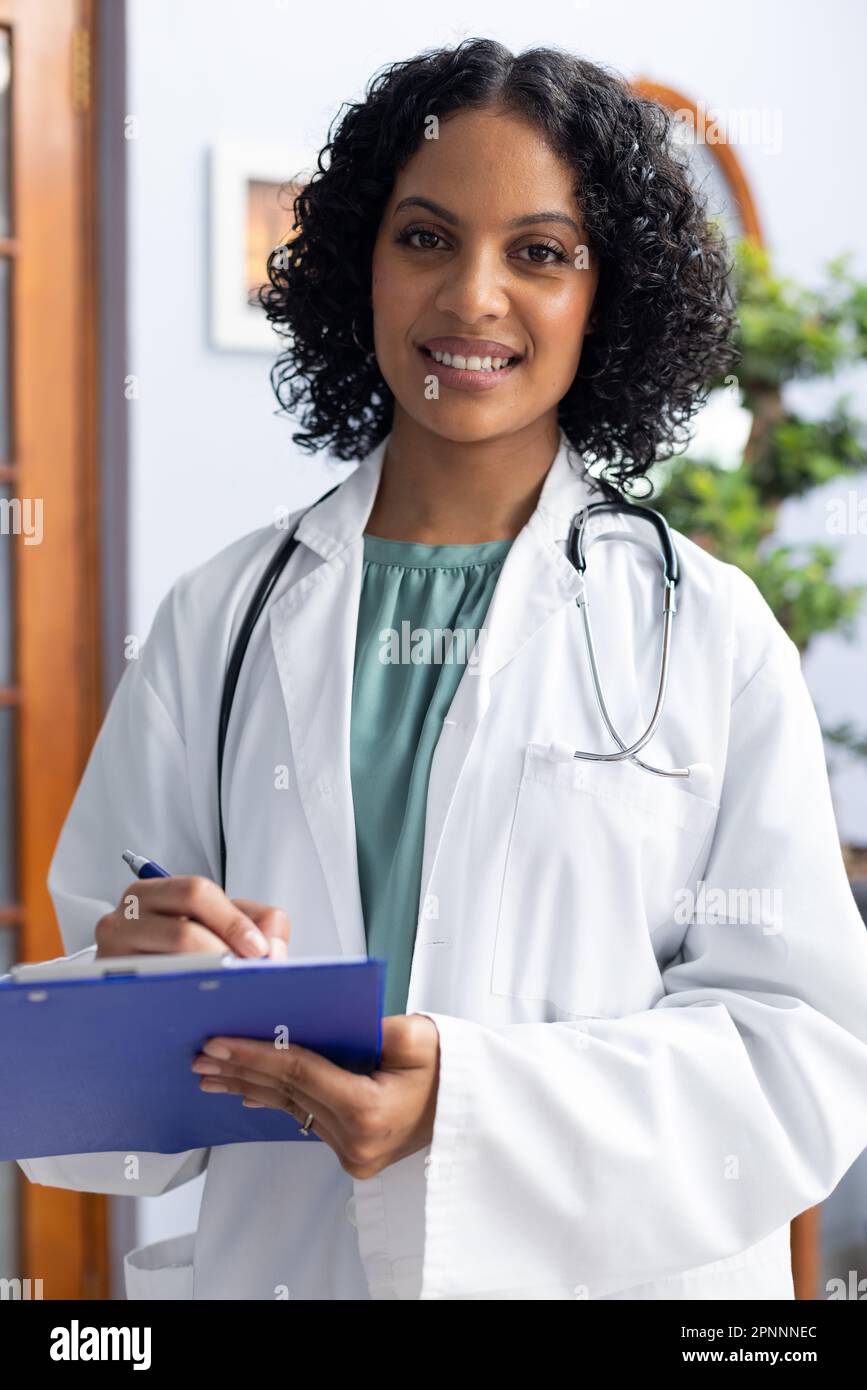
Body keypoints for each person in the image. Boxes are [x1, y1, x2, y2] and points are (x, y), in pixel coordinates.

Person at [17, 37, 867, 1300]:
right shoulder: (223, 618)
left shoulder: (711, 631)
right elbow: (95, 1080)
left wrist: (464, 1111)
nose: (472, 297)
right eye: (425, 237)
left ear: (606, 293)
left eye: (540, 252)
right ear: (363, 262)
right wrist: (136, 979)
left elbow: (802, 1053)